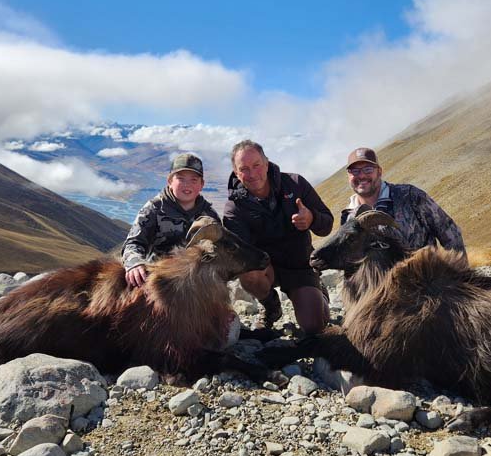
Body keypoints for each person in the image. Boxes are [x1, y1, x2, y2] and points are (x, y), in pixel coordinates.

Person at [223, 140, 333, 334]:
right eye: (244, 169)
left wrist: (311, 218)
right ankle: (272, 307)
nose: (252, 173)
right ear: (237, 173)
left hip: (300, 264)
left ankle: (317, 288)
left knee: (315, 327)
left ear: (266, 163)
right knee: (247, 271)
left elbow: (327, 225)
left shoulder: (296, 184)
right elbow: (240, 253)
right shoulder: (234, 208)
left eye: (256, 165)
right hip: (265, 267)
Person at [341, 147, 467, 260]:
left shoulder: (410, 196)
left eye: (368, 169)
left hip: (427, 281)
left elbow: (448, 230)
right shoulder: (348, 218)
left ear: (379, 171)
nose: (362, 175)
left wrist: (460, 273)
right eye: (355, 171)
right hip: (381, 286)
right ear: (348, 175)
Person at [122, 153, 219, 287]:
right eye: (181, 179)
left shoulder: (209, 215)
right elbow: (133, 243)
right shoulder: (154, 208)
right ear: (170, 181)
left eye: (194, 180)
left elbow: (219, 249)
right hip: (160, 278)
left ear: (202, 184)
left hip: (197, 280)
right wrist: (134, 263)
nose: (187, 185)